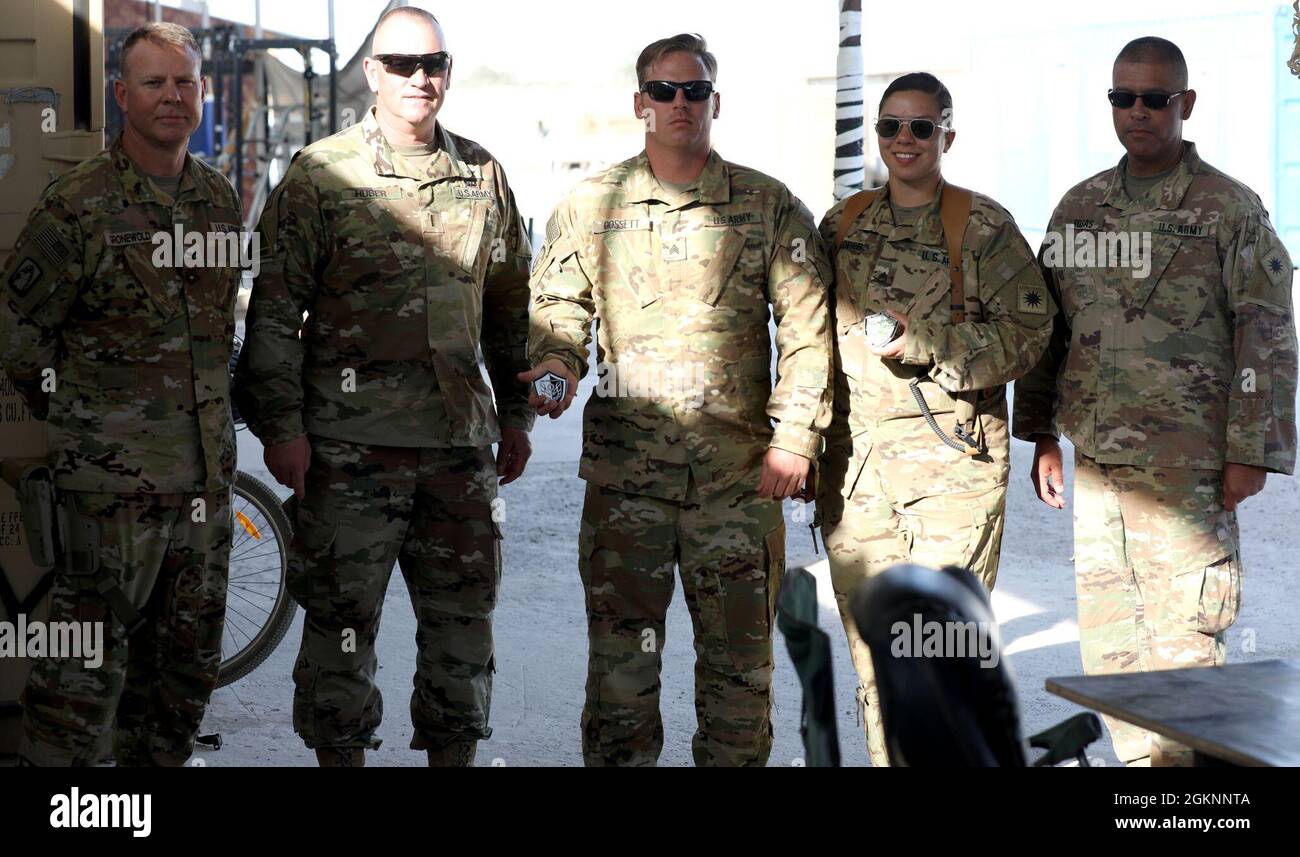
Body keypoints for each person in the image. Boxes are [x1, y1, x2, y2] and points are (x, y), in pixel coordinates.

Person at [234, 6, 533, 767]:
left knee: (463, 635)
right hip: (346, 452)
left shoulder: (482, 174)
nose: (419, 78)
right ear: (373, 72)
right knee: (340, 635)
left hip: (458, 454)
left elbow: (508, 306)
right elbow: (273, 315)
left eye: (433, 64)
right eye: (401, 64)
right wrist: (282, 429)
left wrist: (518, 415)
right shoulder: (322, 175)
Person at [523, 33, 833, 766]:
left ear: (715, 102)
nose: (680, 104)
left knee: (738, 686)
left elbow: (809, 326)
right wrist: (555, 368)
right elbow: (559, 309)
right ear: (641, 103)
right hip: (628, 488)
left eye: (694, 91)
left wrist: (795, 436)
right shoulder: (593, 204)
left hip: (737, 484)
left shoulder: (766, 205)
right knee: (621, 686)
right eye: (664, 91)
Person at [1014, 36, 1297, 767]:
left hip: (1190, 470)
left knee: (1184, 651)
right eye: (1122, 97)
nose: (1136, 112)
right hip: (1101, 470)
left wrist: (1249, 452)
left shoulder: (1228, 209)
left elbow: (1265, 333)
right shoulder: (1080, 209)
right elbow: (1051, 328)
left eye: (1153, 98)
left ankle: (1185, 801)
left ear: (1185, 104)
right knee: (1112, 651)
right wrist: (1041, 430)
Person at [0, 22, 238, 766]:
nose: (172, 96)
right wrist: (89, 427)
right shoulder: (78, 205)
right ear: (121, 95)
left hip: (203, 498)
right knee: (79, 688)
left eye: (184, 82)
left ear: (203, 93)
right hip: (109, 504)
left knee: (180, 685)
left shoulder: (218, 201)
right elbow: (18, 339)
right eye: (154, 82)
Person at [817, 72, 1053, 767]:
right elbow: (805, 331)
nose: (904, 140)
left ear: (948, 133)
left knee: (944, 650)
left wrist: (930, 346)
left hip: (954, 472)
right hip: (856, 473)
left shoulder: (983, 227)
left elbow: (1031, 333)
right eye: (890, 126)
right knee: (874, 657)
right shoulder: (844, 223)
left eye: (921, 126)